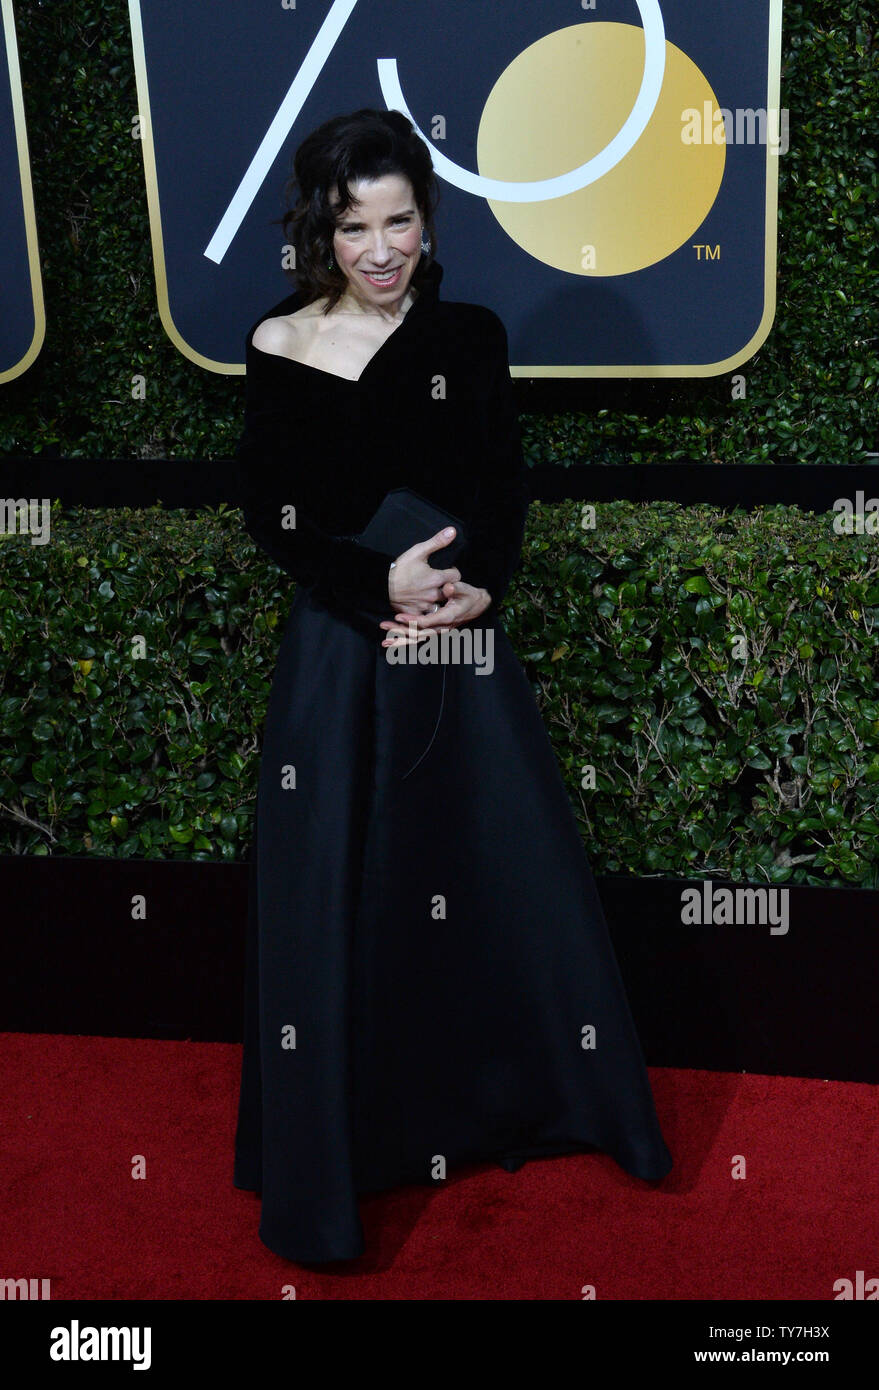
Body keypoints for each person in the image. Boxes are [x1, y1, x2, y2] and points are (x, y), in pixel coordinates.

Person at [233, 108, 672, 1264]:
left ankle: (509, 1106)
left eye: (401, 222)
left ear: (429, 222)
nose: (382, 250)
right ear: (319, 230)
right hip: (343, 655)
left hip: (461, 653)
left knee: (484, 884)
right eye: (354, 227)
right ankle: (347, 1145)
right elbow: (271, 516)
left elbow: (501, 487)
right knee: (343, 896)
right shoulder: (276, 343)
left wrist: (483, 588)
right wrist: (369, 579)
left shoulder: (469, 335)